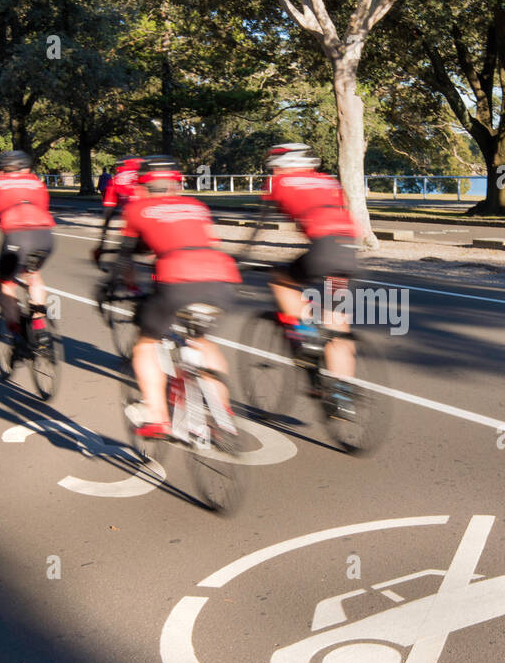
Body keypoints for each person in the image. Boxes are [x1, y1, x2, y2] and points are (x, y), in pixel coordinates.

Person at [108, 155, 241, 440]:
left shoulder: (137, 209)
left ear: (141, 186)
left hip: (175, 281)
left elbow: (124, 259)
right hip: (221, 278)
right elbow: (204, 243)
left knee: (146, 344)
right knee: (202, 341)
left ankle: (158, 418)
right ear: (176, 185)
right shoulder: (197, 206)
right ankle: (222, 410)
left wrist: (110, 286)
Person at [258, 142, 358, 380]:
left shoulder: (279, 183)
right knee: (338, 322)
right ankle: (342, 393)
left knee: (281, 279)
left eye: (274, 168)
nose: (272, 173)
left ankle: (306, 332)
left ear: (280, 166)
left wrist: (241, 257)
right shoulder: (329, 181)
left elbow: (258, 227)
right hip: (349, 249)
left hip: (322, 250)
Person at [0, 150, 56, 342]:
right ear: (26, 169)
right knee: (33, 276)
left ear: (0, 170)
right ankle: (39, 327)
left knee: (6, 285)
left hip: (16, 237)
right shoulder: (37, 182)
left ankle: (16, 333)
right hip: (46, 235)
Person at [92, 156, 140, 267]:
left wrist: (101, 244)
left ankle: (127, 282)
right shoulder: (146, 177)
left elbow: (109, 212)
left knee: (125, 256)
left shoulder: (115, 180)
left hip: (134, 223)